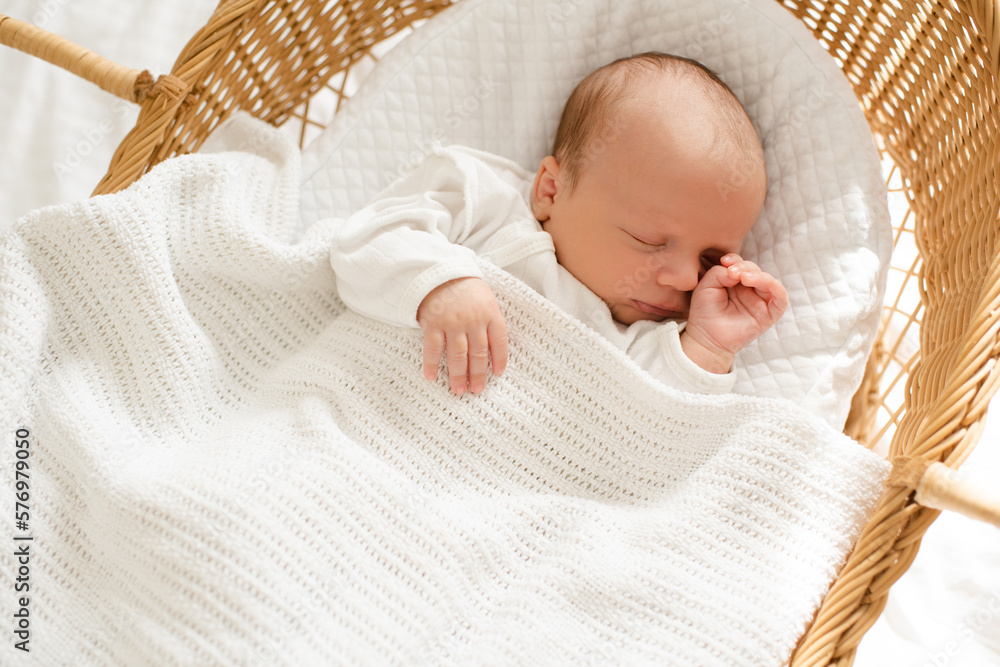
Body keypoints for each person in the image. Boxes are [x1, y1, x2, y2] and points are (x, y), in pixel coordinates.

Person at [330, 51, 787, 395]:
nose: (688, 278)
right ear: (550, 190)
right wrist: (438, 284)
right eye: (649, 240)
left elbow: (658, 428)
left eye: (710, 260)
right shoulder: (488, 205)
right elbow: (365, 242)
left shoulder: (647, 343)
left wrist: (709, 347)